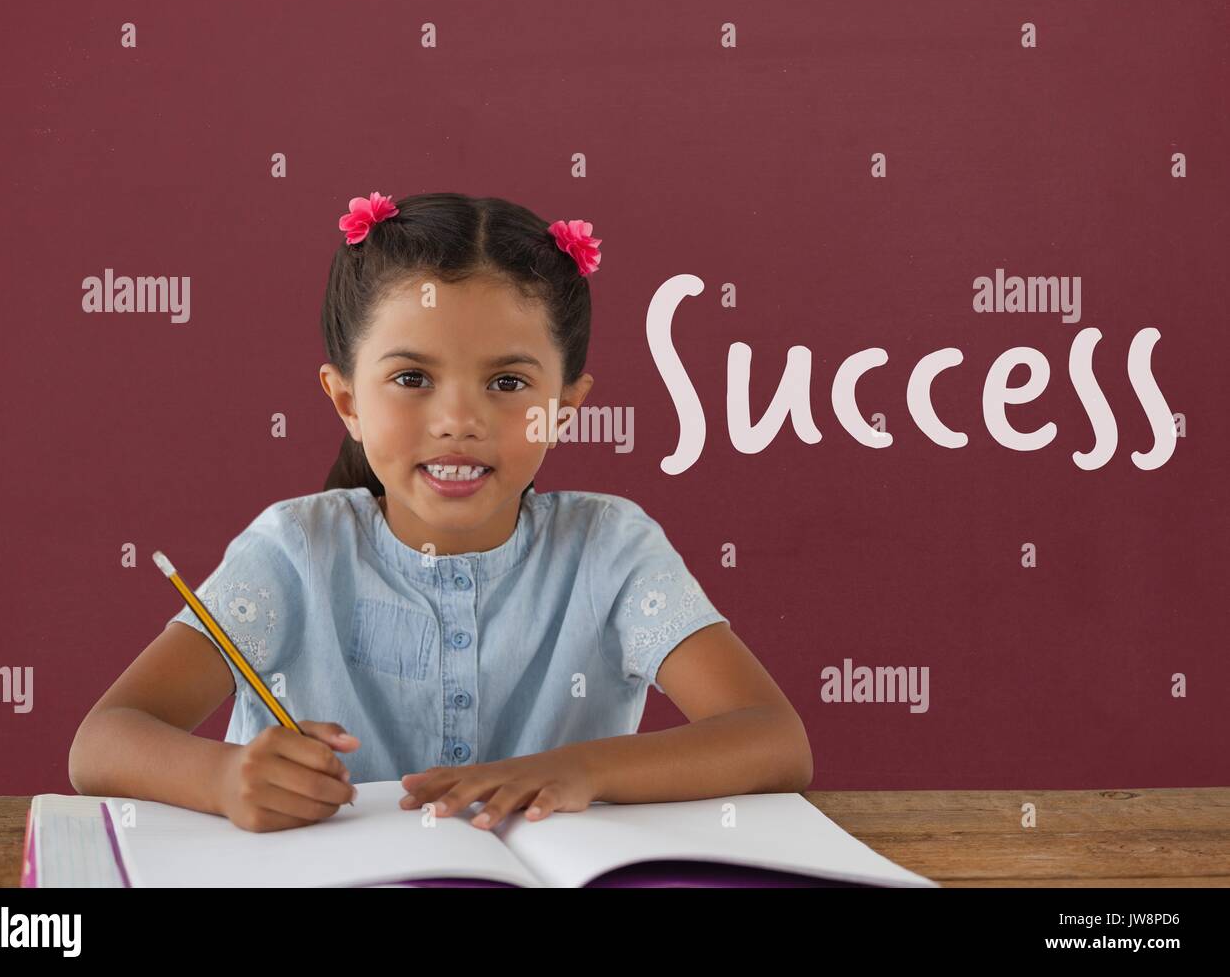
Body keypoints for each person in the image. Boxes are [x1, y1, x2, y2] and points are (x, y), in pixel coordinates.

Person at [69, 191, 813, 834]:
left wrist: (580, 768)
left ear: (565, 409)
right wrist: (224, 781)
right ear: (347, 401)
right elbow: (102, 743)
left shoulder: (610, 549)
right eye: (413, 377)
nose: (459, 419)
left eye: (509, 382)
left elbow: (773, 740)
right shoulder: (294, 551)